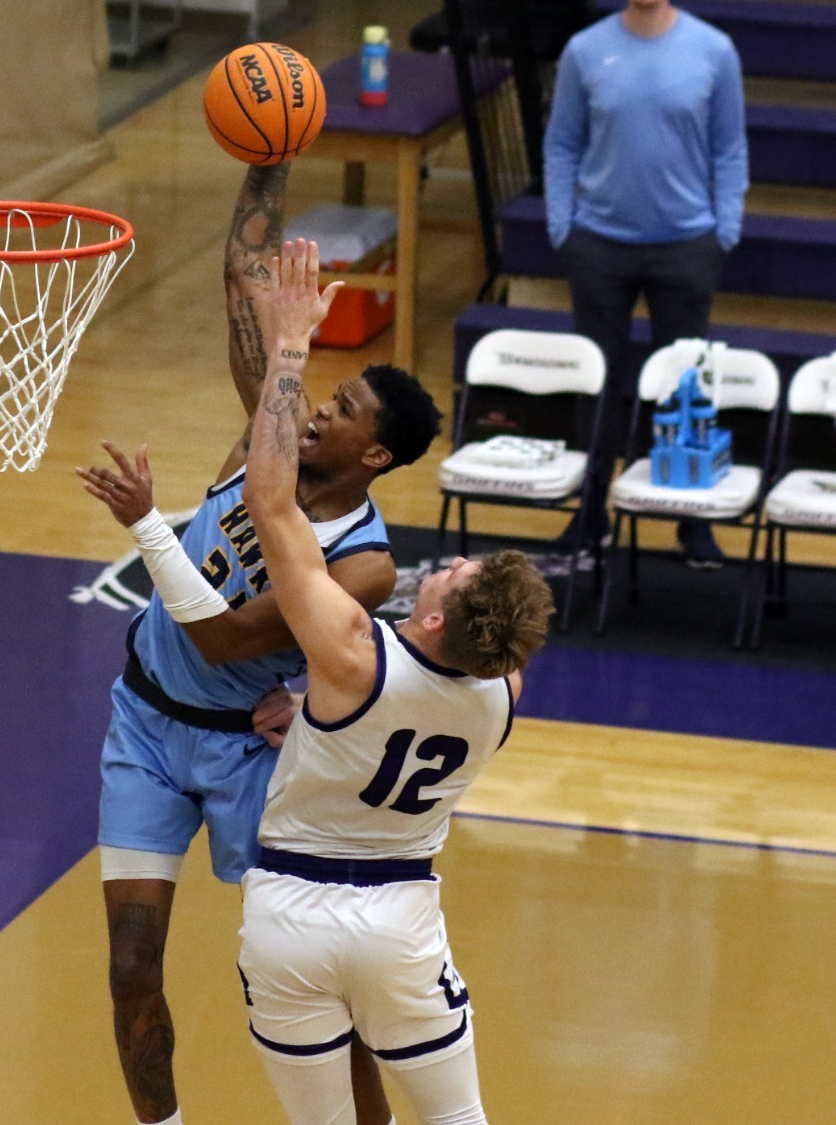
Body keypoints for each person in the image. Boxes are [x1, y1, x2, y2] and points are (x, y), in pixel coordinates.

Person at [76, 163, 444, 1125]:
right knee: (126, 967)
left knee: (322, 982)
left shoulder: (360, 565)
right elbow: (242, 276)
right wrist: (263, 158)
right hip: (148, 725)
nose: (321, 406)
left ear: (373, 456)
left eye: (348, 409)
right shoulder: (264, 434)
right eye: (336, 390)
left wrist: (151, 526)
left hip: (252, 752)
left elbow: (226, 630)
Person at [235, 238, 554, 1125]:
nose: (445, 561)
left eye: (452, 572)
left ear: (435, 618)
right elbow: (501, 632)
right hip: (399, 921)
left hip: (290, 912)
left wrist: (291, 341)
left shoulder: (348, 651)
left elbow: (271, 500)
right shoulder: (501, 696)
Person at [543, 0, 748, 567]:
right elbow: (561, 143)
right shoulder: (585, 50)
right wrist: (566, 227)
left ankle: (693, 522)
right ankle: (590, 513)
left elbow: (730, 148)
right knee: (598, 384)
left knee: (688, 388)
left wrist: (722, 229)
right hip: (599, 245)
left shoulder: (714, 51)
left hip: (686, 245)